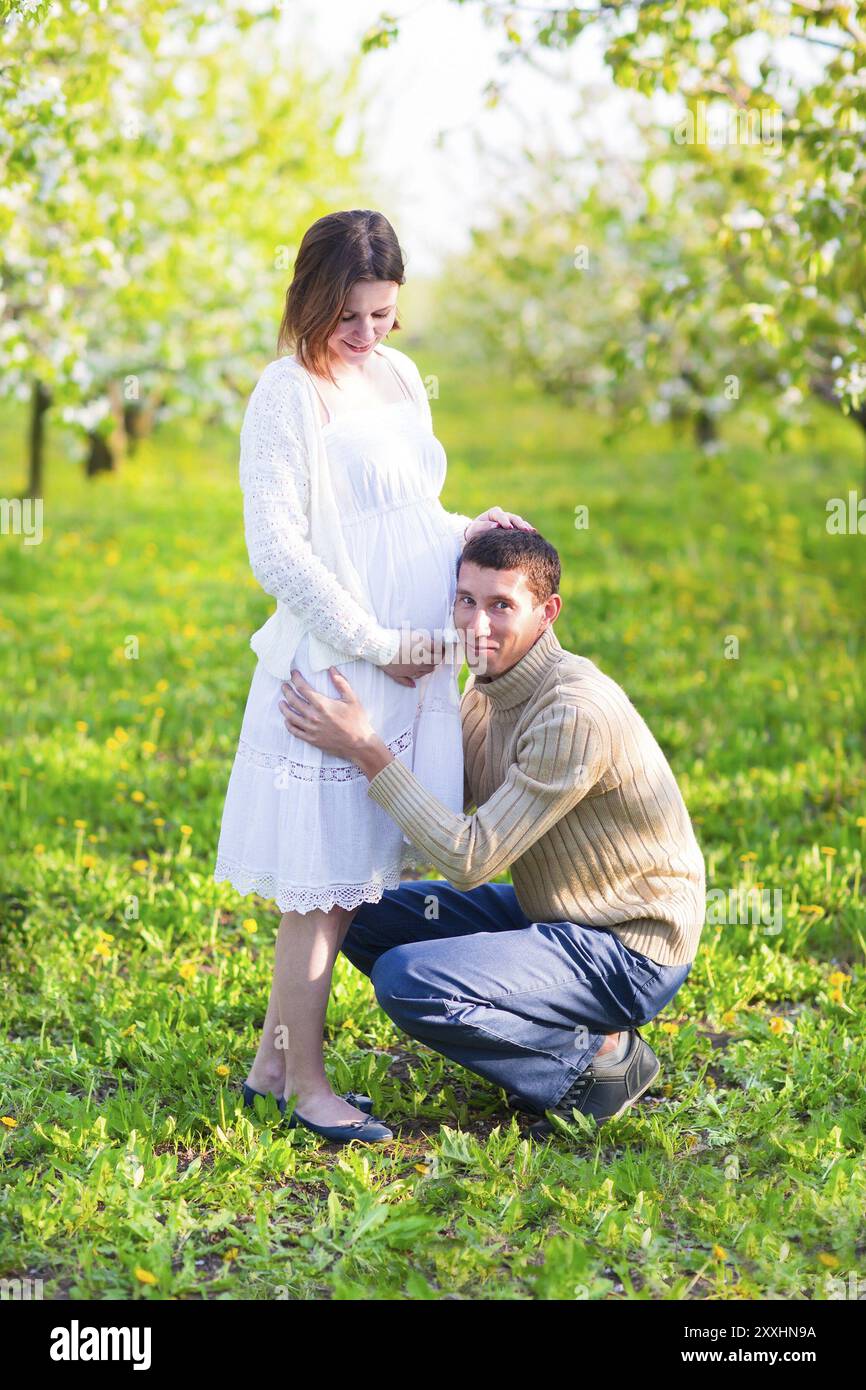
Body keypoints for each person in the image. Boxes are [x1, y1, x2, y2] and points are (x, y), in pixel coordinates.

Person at [213, 209, 536, 1143]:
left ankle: (275, 1062)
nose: (365, 335)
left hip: (412, 656)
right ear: (311, 299)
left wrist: (471, 528)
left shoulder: (396, 375)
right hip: (346, 655)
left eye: (383, 315)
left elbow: (410, 510)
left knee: (353, 884)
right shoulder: (287, 393)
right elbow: (278, 550)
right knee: (317, 888)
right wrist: (370, 638)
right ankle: (307, 1087)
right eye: (349, 316)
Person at [279, 527, 707, 1138]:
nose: (477, 625)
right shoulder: (485, 694)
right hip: (553, 915)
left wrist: (365, 749)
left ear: (547, 611)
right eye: (466, 601)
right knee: (362, 910)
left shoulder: (573, 714)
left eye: (502, 605)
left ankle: (594, 1066)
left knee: (410, 980)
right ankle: (579, 1032)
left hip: (629, 948)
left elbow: (469, 855)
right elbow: (441, 809)